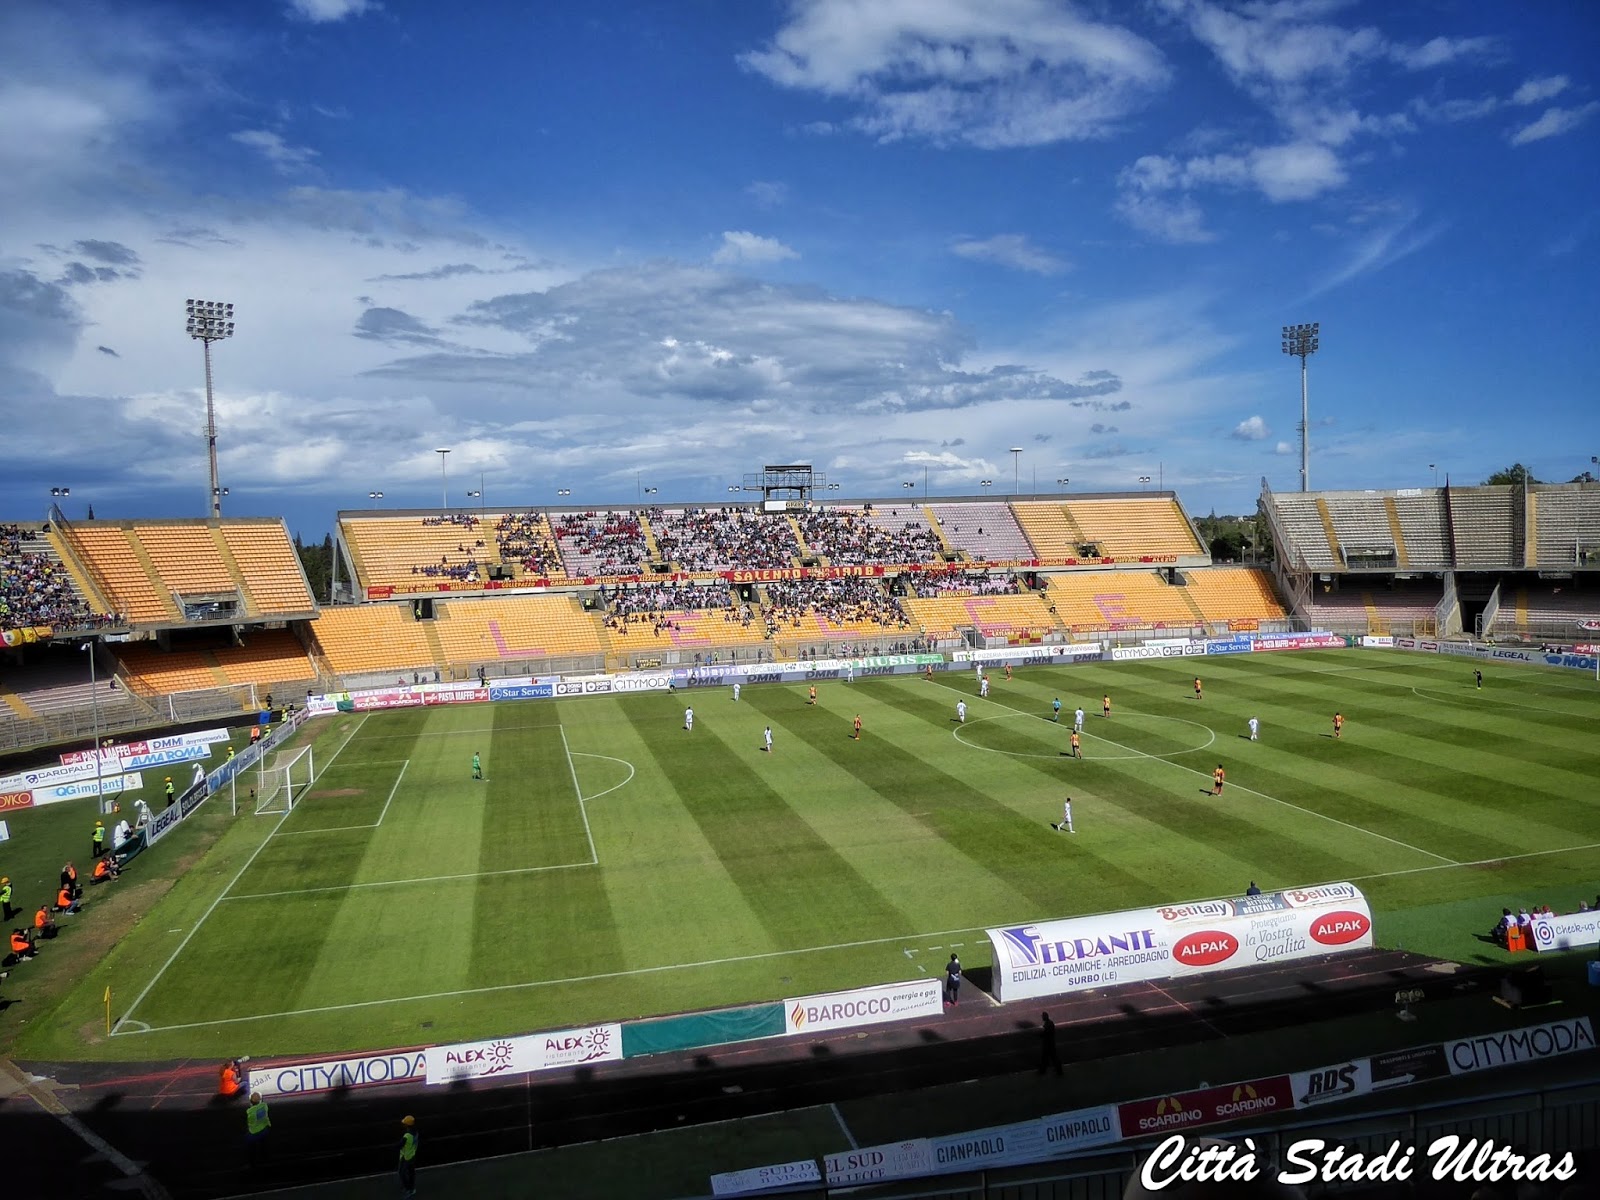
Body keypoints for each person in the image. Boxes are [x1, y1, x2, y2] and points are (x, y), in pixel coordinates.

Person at [245, 1091, 271, 1167]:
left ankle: (252, 1163)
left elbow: (250, 1122)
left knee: (251, 1148)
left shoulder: (250, 1111)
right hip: (265, 1129)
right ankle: (265, 1158)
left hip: (254, 1133)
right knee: (264, 1145)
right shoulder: (265, 1106)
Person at [398, 1115, 419, 1198]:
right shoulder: (416, 1133)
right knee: (411, 1173)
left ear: (407, 1125)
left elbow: (400, 1145)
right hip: (412, 1156)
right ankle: (412, 1188)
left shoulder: (407, 1136)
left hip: (406, 1158)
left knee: (401, 1173)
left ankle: (408, 1189)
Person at [1038, 1011, 1063, 1076]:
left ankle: (1043, 1071)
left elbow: (1045, 1034)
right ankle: (1058, 1070)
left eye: (1043, 1016)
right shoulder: (1050, 1023)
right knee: (1052, 1058)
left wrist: (1040, 1035)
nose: (1042, 1018)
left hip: (1048, 1044)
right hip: (1051, 1043)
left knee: (1046, 1058)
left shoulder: (1047, 1024)